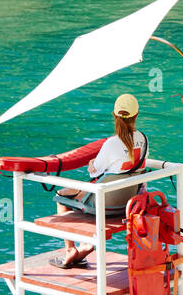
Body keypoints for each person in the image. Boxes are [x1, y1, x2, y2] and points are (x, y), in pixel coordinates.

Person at [50, 93, 149, 269]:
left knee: (60, 195)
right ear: (137, 115)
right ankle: (86, 244)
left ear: (115, 116)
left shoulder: (111, 143)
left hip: (103, 204)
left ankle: (71, 249)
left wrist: (91, 164)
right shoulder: (144, 139)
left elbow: (93, 172)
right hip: (127, 203)